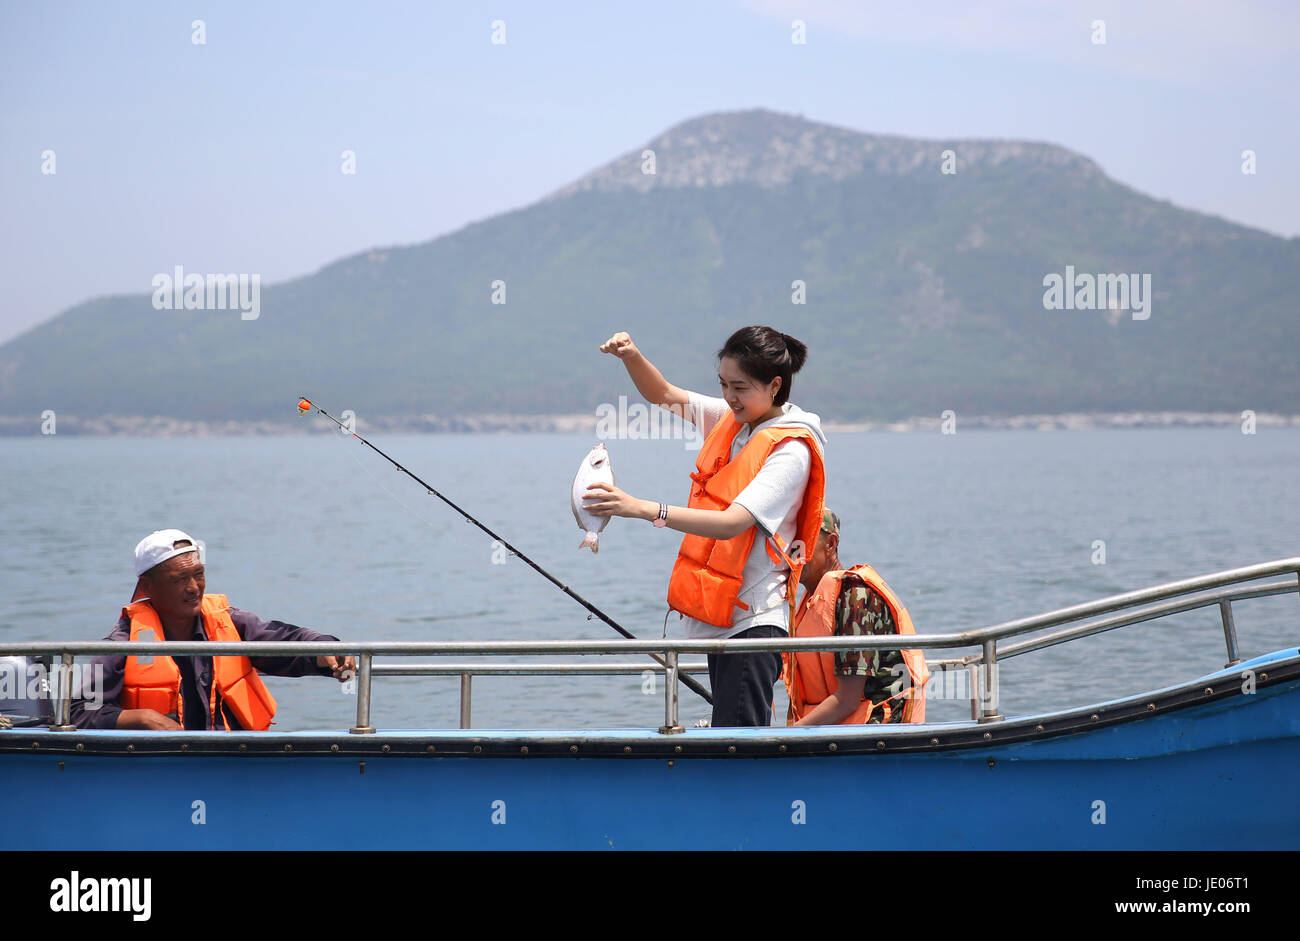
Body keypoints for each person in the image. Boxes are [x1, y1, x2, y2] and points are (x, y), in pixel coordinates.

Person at [587, 326, 826, 727]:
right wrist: (631, 355)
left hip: (755, 622)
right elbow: (663, 395)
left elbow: (732, 523)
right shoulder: (734, 419)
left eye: (740, 387)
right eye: (723, 385)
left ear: (775, 386)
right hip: (723, 617)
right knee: (730, 734)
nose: (729, 397)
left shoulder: (791, 450)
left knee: (740, 746)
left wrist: (641, 508)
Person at [70, 529, 355, 731]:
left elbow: (285, 640)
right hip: (160, 767)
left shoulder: (229, 622)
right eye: (179, 579)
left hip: (230, 762)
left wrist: (326, 650)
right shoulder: (124, 641)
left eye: (198, 574)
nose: (193, 588)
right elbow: (78, 711)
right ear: (147, 587)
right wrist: (142, 718)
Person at [783, 509, 928, 725]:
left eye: (801, 542)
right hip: (830, 730)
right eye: (788, 543)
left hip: (878, 730)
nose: (792, 553)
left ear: (830, 544)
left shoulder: (855, 597)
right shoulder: (808, 603)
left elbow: (848, 700)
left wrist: (787, 737)